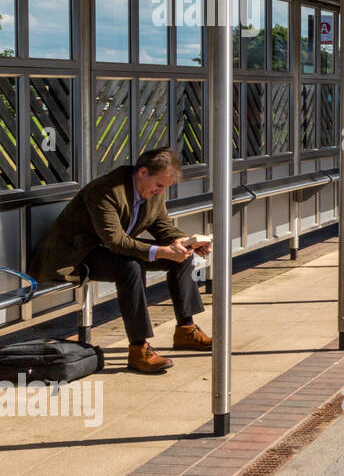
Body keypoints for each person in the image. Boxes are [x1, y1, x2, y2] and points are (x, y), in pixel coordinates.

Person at [30, 148, 211, 374]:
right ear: (143, 172)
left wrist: (185, 242)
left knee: (182, 257)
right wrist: (163, 251)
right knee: (130, 266)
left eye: (165, 187)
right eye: (160, 185)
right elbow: (115, 241)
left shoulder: (153, 192)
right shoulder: (105, 190)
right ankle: (138, 348)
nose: (161, 191)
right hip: (76, 255)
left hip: (110, 249)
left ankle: (186, 330)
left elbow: (162, 227)